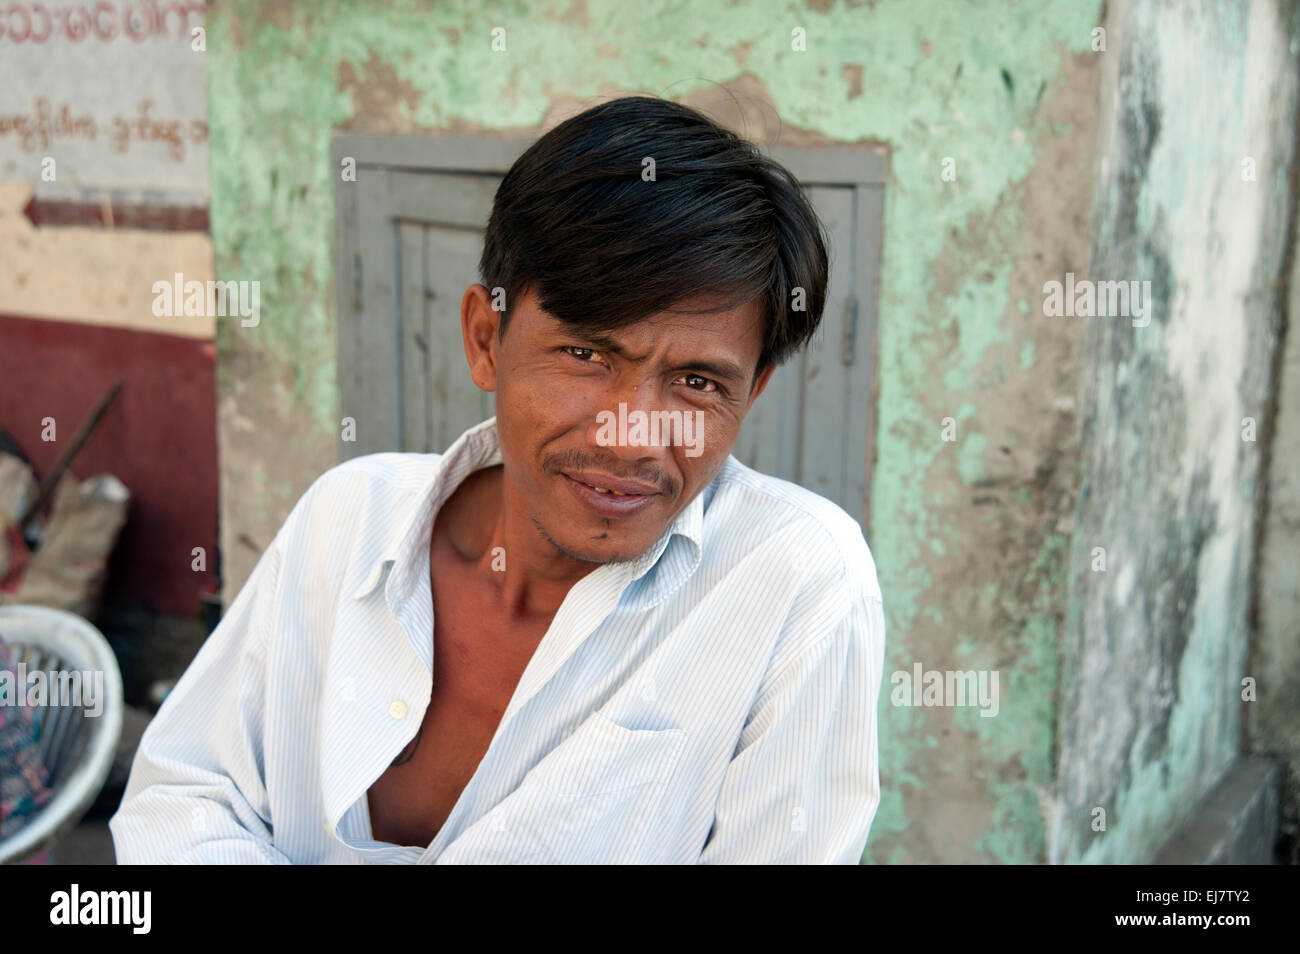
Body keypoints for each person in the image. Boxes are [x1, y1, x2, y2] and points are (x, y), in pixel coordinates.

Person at [110, 96, 886, 864]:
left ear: (751, 394)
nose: (632, 435)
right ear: (486, 339)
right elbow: (184, 795)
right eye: (586, 356)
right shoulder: (349, 519)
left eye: (696, 382)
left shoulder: (797, 584)